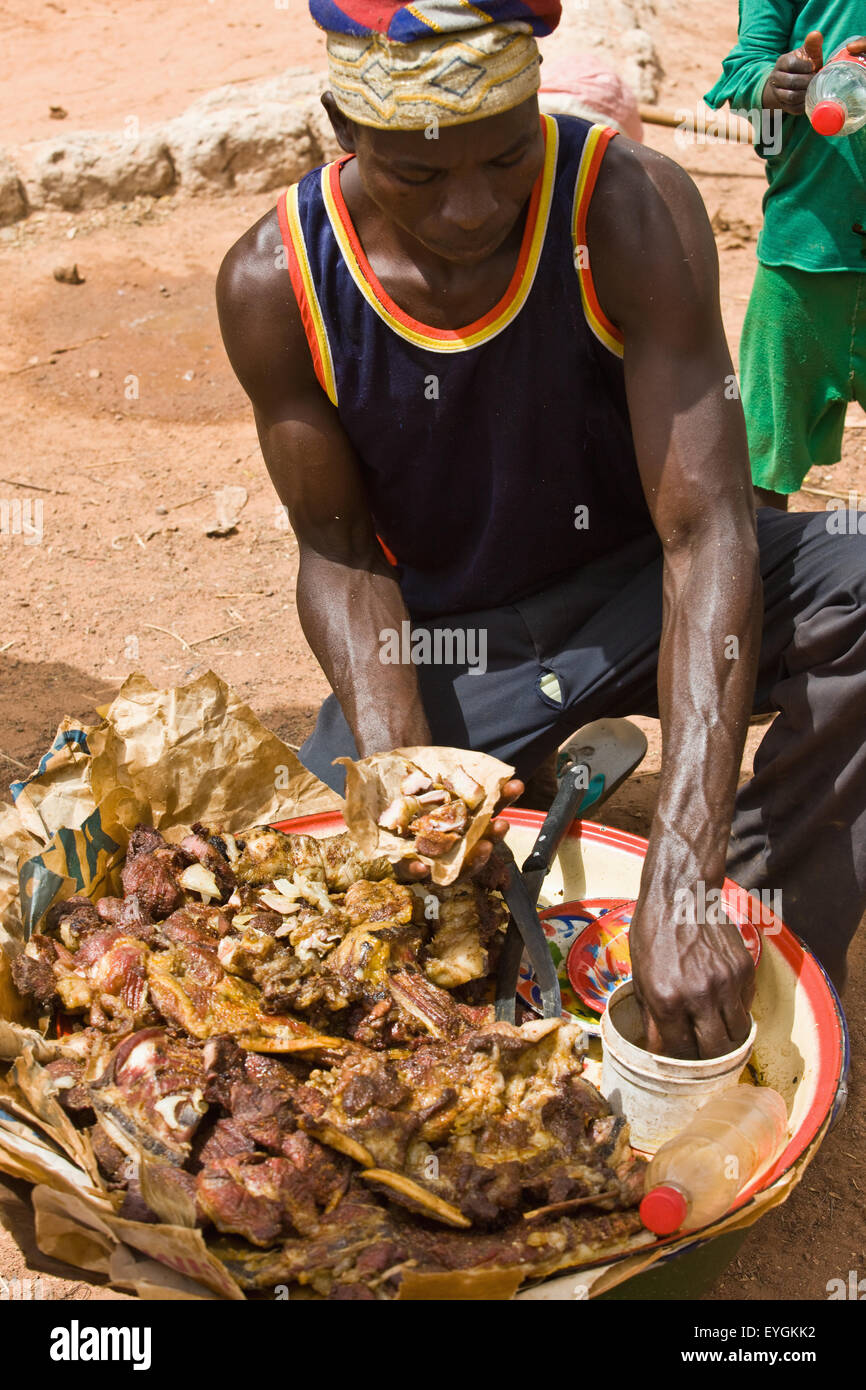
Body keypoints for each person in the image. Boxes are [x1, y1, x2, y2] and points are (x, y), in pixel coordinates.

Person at [218, 0, 866, 1058]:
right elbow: (335, 551)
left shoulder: (625, 206)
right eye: (420, 175)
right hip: (453, 645)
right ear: (344, 130)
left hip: (642, 590)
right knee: (316, 904)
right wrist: (405, 788)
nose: (473, 209)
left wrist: (684, 867)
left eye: (506, 157)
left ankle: (756, 933)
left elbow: (706, 530)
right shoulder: (274, 282)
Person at [705, 6, 866, 510]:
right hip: (801, 253)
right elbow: (745, 69)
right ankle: (763, 583)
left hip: (803, 246)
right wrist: (780, 85)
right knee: (760, 467)